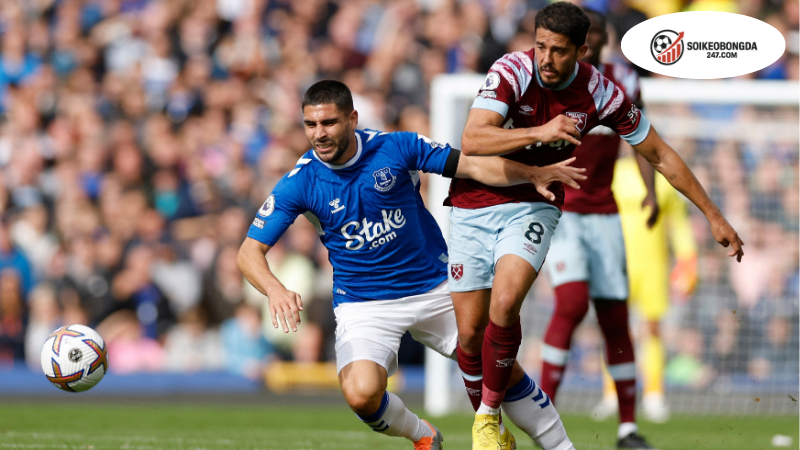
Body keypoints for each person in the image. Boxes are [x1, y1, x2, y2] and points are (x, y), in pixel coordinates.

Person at [446, 3, 744, 450]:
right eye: (541, 46)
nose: (546, 59)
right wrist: (539, 131)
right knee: (469, 333)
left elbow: (659, 153)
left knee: (506, 305)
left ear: (582, 51)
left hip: (538, 202)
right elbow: (472, 139)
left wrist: (713, 214)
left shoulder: (603, 93)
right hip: (475, 200)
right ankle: (495, 426)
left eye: (558, 51)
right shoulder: (511, 70)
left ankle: (489, 418)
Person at [238, 80, 584, 450]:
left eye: (329, 123)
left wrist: (531, 174)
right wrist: (275, 289)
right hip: (365, 304)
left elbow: (472, 166)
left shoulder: (396, 147)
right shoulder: (301, 182)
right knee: (361, 394)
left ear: (352, 119)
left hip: (436, 287)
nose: (319, 133)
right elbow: (248, 253)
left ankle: (563, 447)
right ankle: (423, 435)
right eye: (311, 124)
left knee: (502, 371)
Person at [538, 8, 659, 448]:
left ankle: (627, 426)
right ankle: (542, 414)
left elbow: (641, 140)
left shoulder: (623, 81)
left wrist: (650, 191)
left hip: (606, 213)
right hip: (562, 212)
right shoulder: (550, 81)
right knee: (570, 305)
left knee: (615, 317)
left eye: (599, 34)